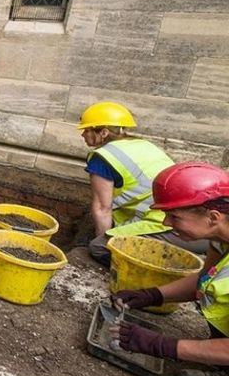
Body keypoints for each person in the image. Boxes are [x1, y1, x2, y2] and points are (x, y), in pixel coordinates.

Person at [111, 161, 229, 376]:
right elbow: (205, 278)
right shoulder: (221, 238)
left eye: (174, 216)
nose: (165, 223)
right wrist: (153, 295)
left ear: (213, 217)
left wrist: (163, 345)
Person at [78, 101, 207, 266]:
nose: (82, 134)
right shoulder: (144, 145)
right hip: (202, 229)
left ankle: (170, 270)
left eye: (87, 129)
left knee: (99, 247)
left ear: (103, 132)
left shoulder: (103, 158)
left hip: (170, 227)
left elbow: (103, 209)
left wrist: (104, 238)